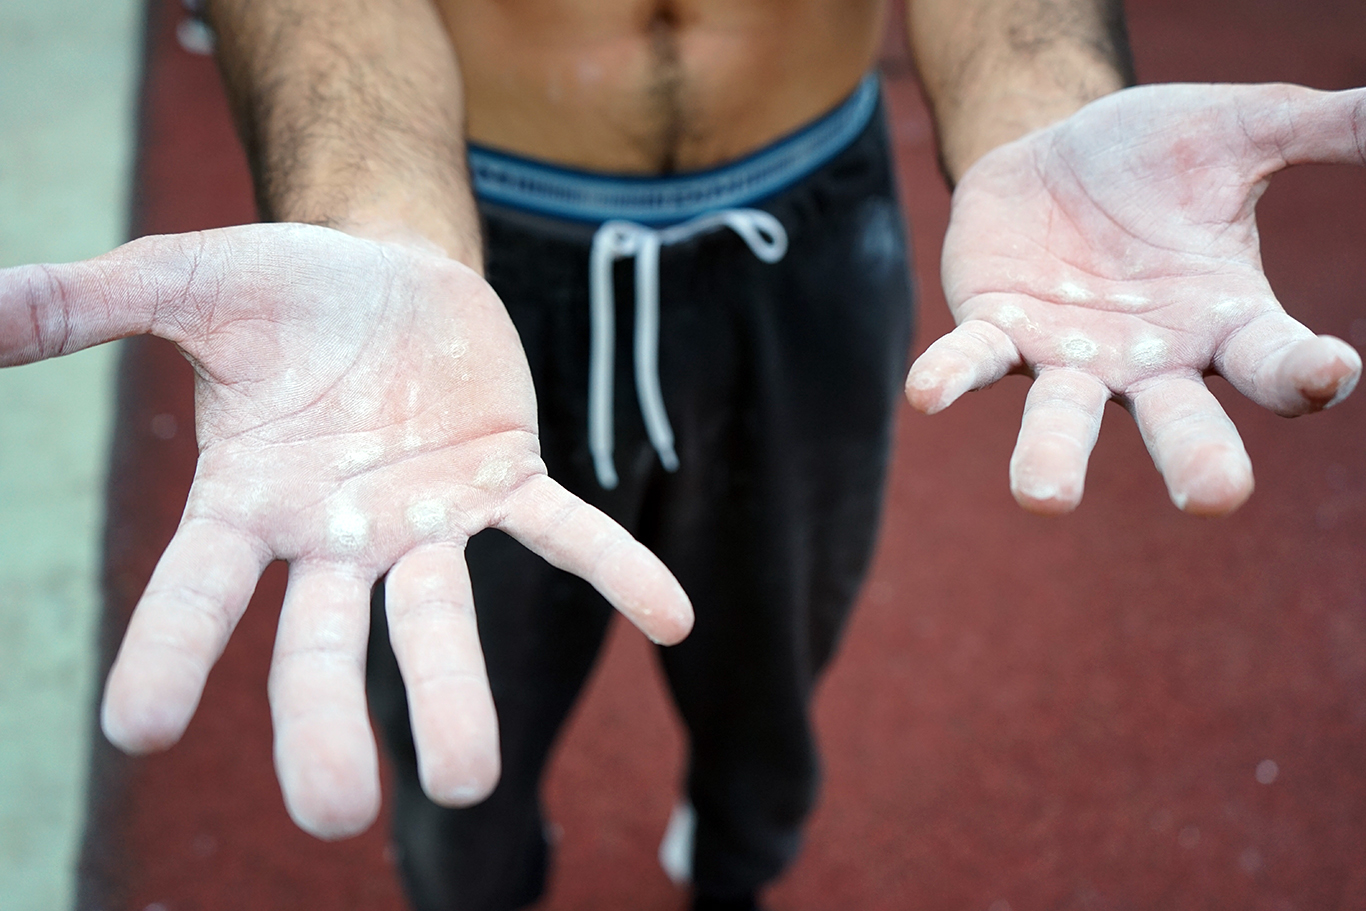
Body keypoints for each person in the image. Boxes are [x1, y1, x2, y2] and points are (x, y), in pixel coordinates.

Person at [1, 0, 1363, 908]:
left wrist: (1044, 108)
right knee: (452, 724)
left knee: (769, 668)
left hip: (802, 218)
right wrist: (372, 223)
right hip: (453, 263)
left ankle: (732, 863)